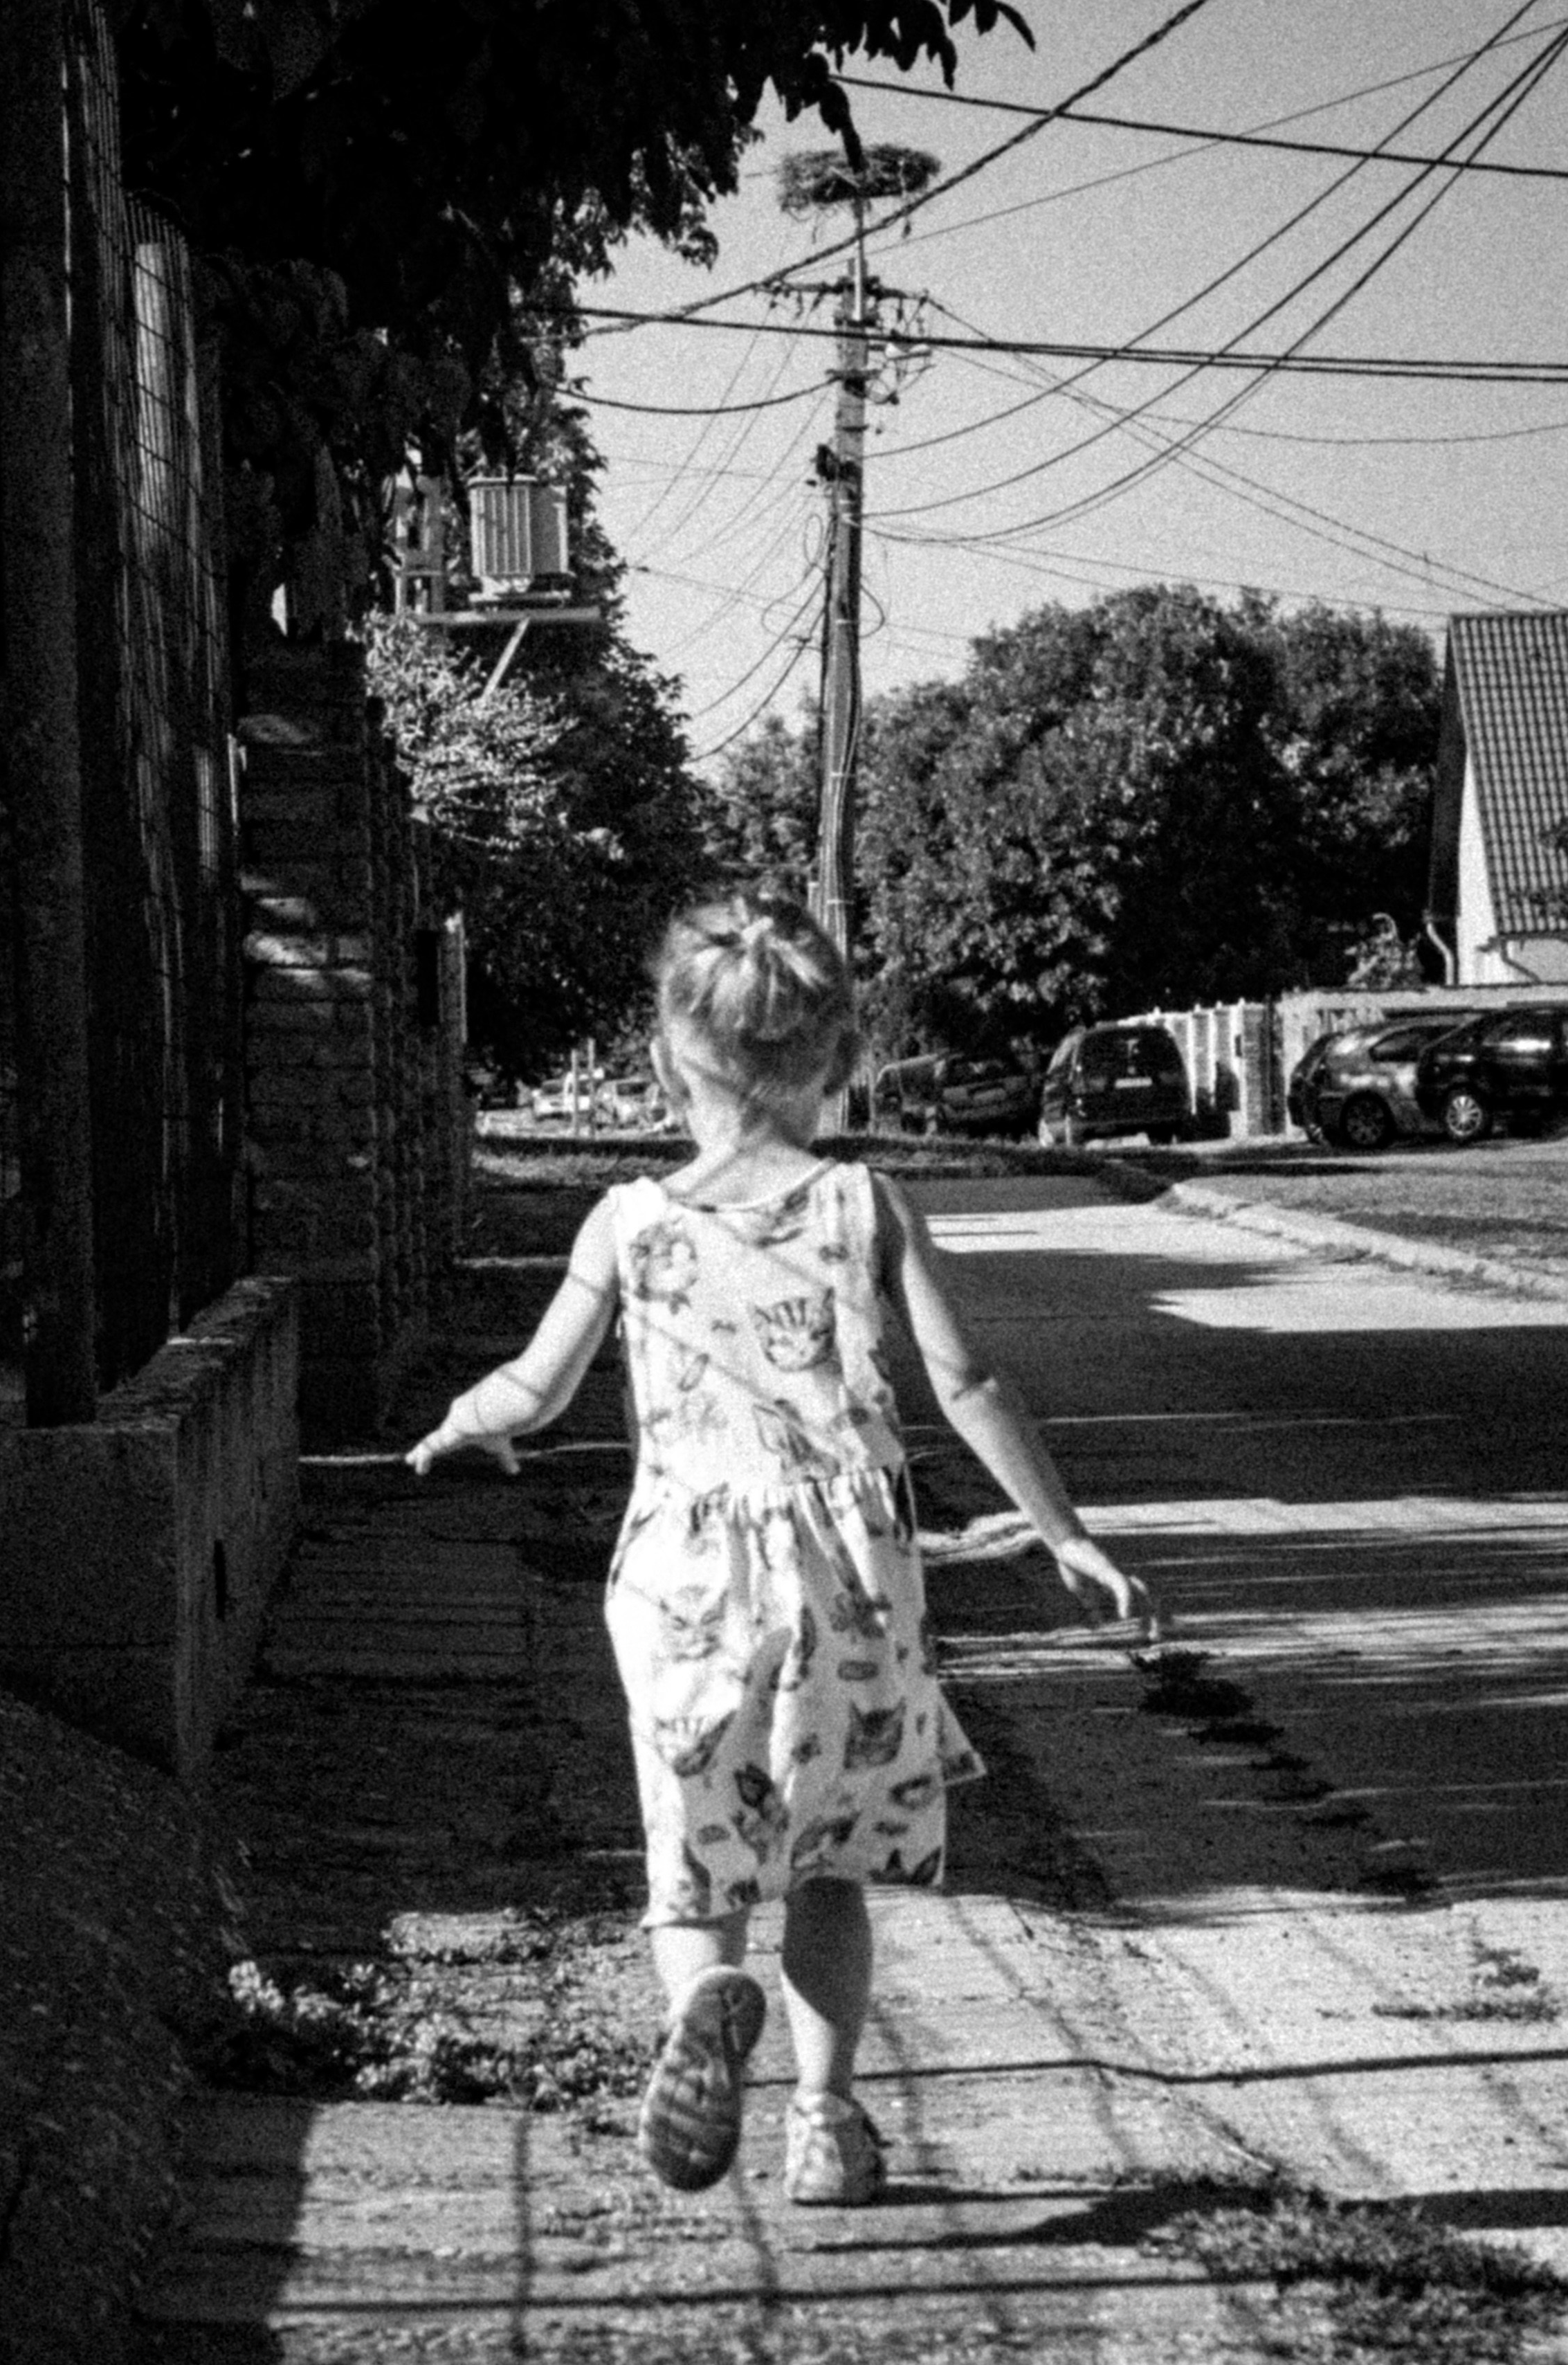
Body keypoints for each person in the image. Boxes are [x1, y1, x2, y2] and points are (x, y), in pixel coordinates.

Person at [408, 889, 1153, 2208]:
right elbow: (968, 1381)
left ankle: (703, 2000)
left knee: (696, 1859)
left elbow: (536, 1383)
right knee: (830, 1866)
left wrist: (464, 1425)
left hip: (682, 1585)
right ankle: (824, 2116)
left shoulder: (628, 1222)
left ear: (660, 1062)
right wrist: (1065, 1534)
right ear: (844, 1058)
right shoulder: (868, 1207)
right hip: (851, 1589)